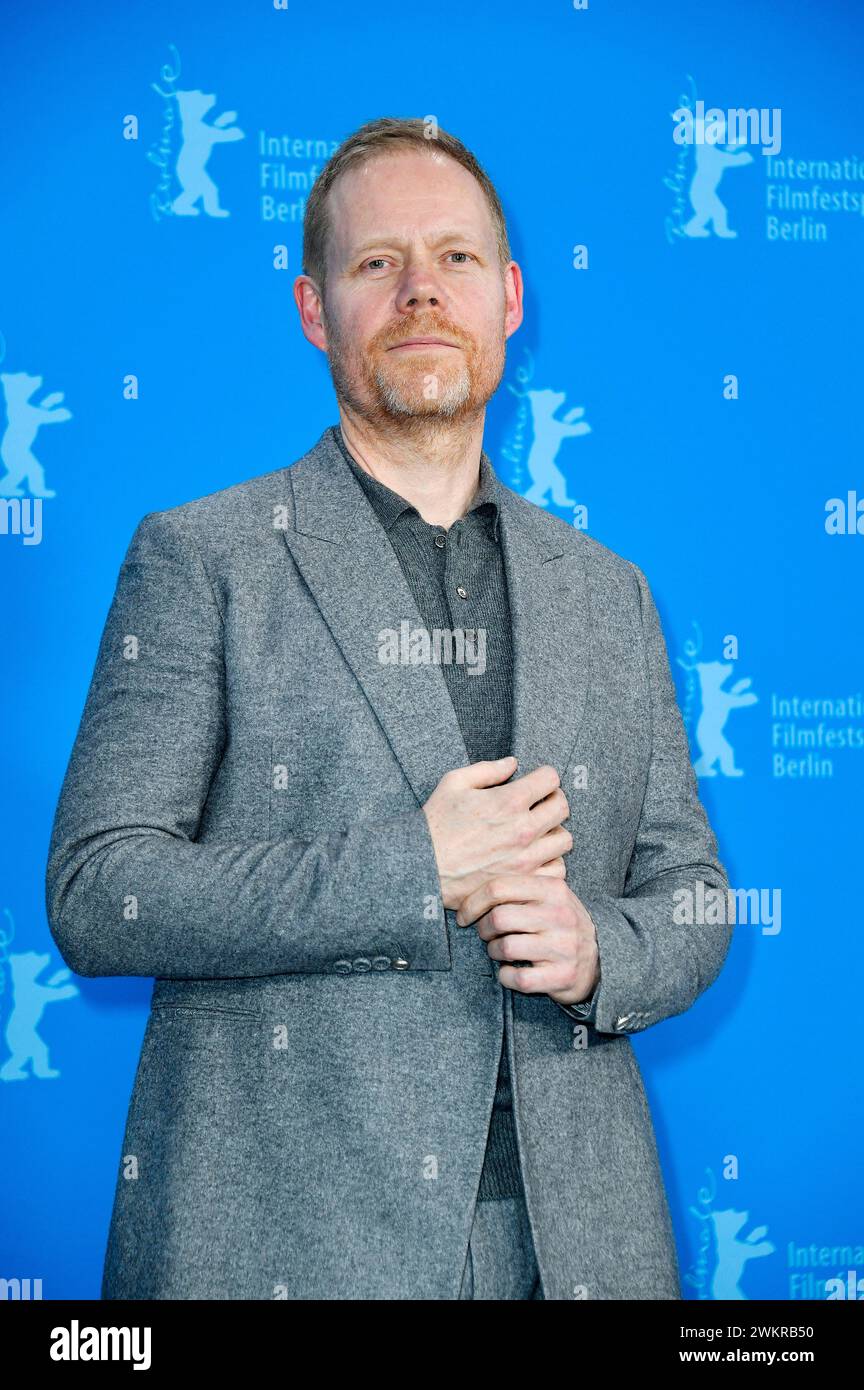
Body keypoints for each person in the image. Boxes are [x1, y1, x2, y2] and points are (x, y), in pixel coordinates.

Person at [45, 116, 732, 1300]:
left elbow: (694, 894)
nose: (423, 291)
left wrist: (598, 949)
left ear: (510, 299)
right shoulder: (201, 556)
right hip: (288, 1246)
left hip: (578, 1250)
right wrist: (413, 868)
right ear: (315, 308)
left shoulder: (611, 594)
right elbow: (100, 890)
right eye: (378, 263)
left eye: (456, 259)